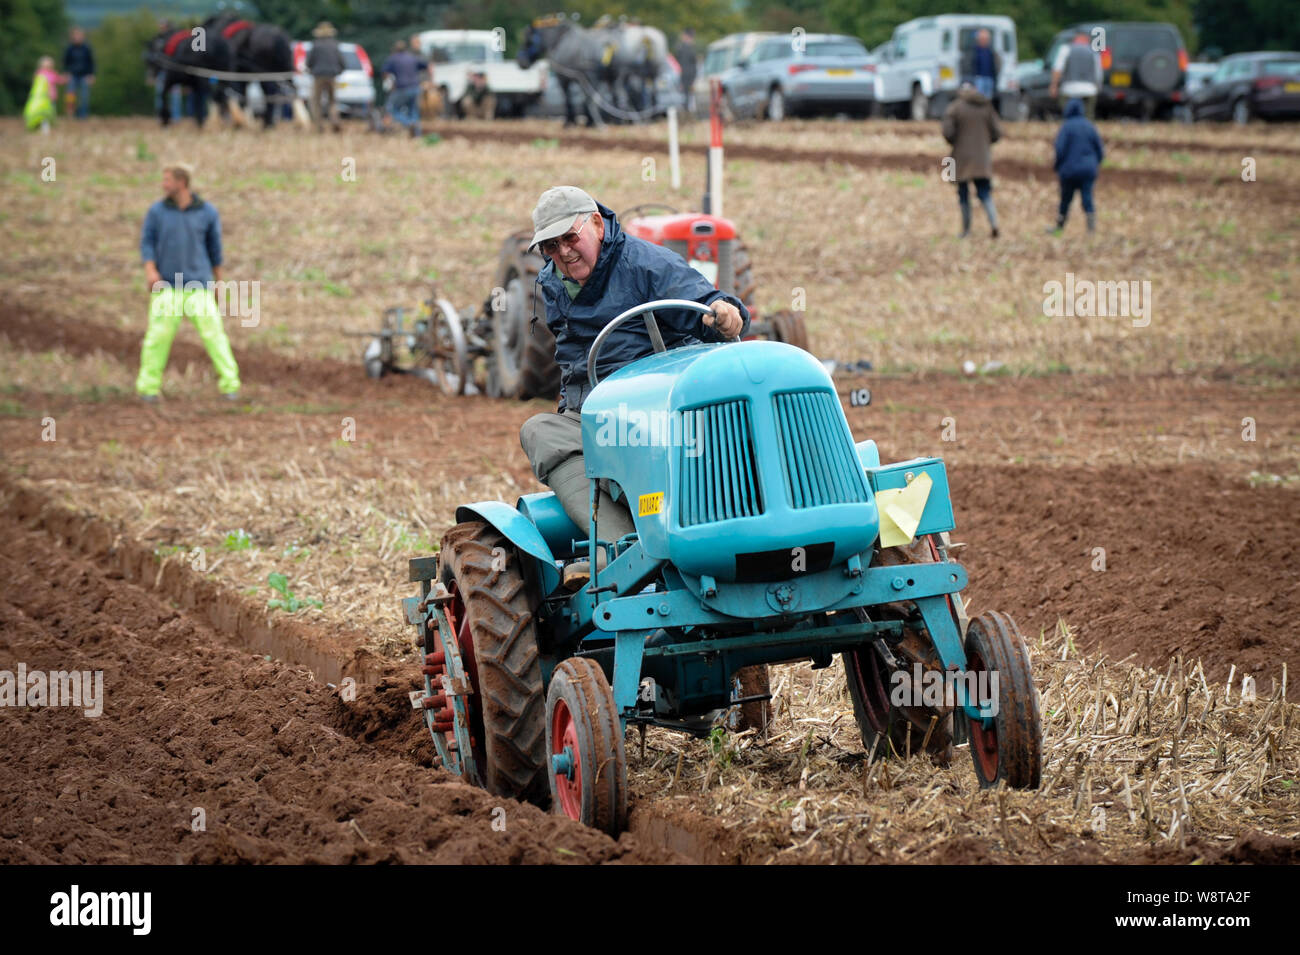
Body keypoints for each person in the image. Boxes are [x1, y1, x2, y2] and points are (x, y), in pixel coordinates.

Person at [518, 186, 748, 587]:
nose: (564, 252)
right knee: (540, 431)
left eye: (570, 238)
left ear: (595, 224)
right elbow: (570, 360)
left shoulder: (645, 262)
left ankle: (683, 533)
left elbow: (705, 304)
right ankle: (620, 550)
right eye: (552, 246)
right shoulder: (552, 281)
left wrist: (724, 313)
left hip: (657, 401)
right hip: (594, 405)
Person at [137, 163, 242, 402]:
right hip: (167, 287)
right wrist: (150, 271)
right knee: (157, 338)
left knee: (214, 336)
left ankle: (230, 385)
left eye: (167, 180)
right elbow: (147, 244)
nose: (163, 184)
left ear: (182, 182)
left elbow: (216, 251)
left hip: (199, 287)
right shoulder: (157, 212)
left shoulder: (207, 213)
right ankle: (148, 388)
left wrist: (219, 283)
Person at [941, 82, 1002, 239]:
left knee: (963, 194)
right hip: (983, 157)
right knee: (985, 192)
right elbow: (997, 132)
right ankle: (994, 223)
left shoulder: (955, 108)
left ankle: (966, 230)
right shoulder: (986, 106)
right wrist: (985, 143)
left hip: (961, 158)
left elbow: (947, 133)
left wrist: (957, 141)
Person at [1050, 99, 1105, 233]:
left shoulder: (1066, 127)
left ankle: (1059, 228)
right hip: (1088, 170)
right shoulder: (1089, 126)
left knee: (1065, 199)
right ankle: (1091, 228)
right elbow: (1100, 150)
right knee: (1087, 197)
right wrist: (1095, 164)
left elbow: (1060, 149)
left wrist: (1057, 166)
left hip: (1069, 171)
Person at [1050, 31, 1103, 120]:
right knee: (1088, 118)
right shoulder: (1094, 51)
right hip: (1089, 89)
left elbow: (1058, 69)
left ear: (1075, 39)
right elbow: (1098, 72)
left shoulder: (1066, 49)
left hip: (1069, 89)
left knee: (1068, 117)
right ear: (1087, 39)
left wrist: (1053, 85)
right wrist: (1098, 87)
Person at [382, 40, 429, 137]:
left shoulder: (393, 58)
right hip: (416, 88)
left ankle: (408, 123)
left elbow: (385, 72)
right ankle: (417, 134)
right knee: (413, 110)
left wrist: (390, 84)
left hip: (402, 88)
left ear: (395, 49)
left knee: (391, 109)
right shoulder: (412, 57)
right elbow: (426, 65)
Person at [307, 21, 344, 133]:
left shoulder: (316, 45)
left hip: (318, 76)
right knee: (332, 101)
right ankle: (335, 121)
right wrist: (338, 71)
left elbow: (309, 62)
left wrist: (312, 69)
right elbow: (342, 62)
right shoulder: (335, 45)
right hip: (332, 76)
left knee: (316, 101)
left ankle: (319, 126)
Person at [23, 57, 64, 133]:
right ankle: (41, 124)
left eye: (49, 66)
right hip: (42, 97)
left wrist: (64, 79)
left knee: (51, 111)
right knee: (44, 112)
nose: (47, 68)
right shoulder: (39, 73)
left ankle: (50, 123)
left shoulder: (51, 73)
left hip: (51, 96)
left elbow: (58, 80)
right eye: (46, 66)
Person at [63, 28, 95, 119]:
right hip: (72, 75)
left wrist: (91, 75)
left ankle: (83, 115)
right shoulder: (69, 49)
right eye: (76, 36)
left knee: (84, 97)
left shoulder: (87, 48)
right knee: (70, 96)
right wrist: (66, 73)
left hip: (84, 75)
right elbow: (65, 62)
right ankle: (71, 114)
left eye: (79, 36)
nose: (77, 38)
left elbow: (91, 62)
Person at [961, 28, 1000, 101]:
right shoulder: (973, 51)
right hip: (978, 78)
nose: (984, 40)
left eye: (986, 39)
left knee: (988, 99)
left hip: (989, 78)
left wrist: (995, 75)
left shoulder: (991, 51)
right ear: (978, 39)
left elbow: (997, 65)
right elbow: (968, 65)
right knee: (978, 98)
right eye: (982, 38)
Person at [674, 28, 698, 114]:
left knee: (685, 96)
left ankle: (686, 112)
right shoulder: (690, 48)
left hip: (685, 75)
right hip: (688, 75)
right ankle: (687, 112)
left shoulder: (681, 48)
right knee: (687, 96)